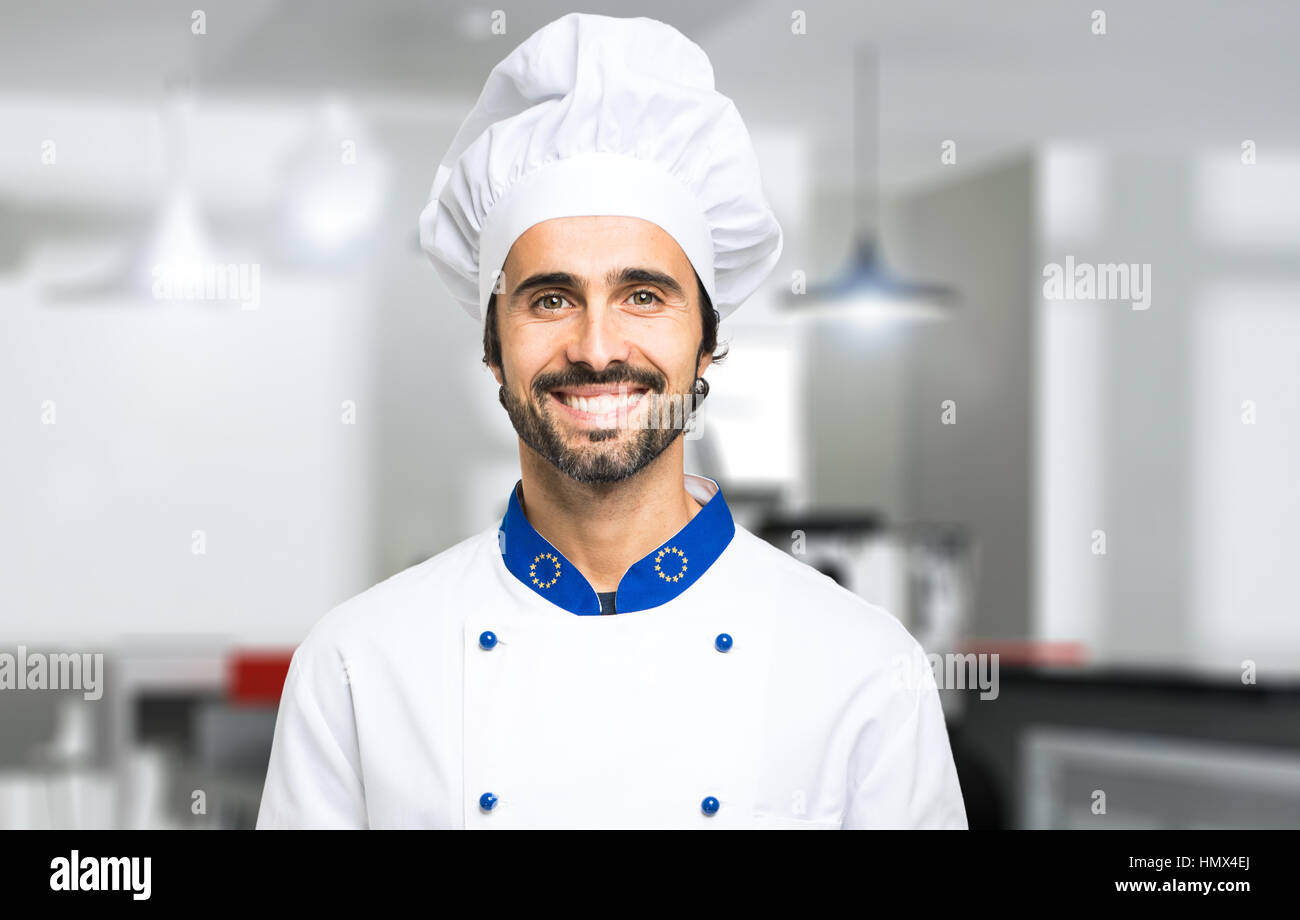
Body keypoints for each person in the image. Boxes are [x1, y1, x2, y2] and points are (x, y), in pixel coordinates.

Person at [256, 12, 967, 830]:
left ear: (707, 342)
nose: (597, 349)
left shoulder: (866, 670)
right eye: (550, 298)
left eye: (644, 296)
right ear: (494, 348)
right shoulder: (356, 668)